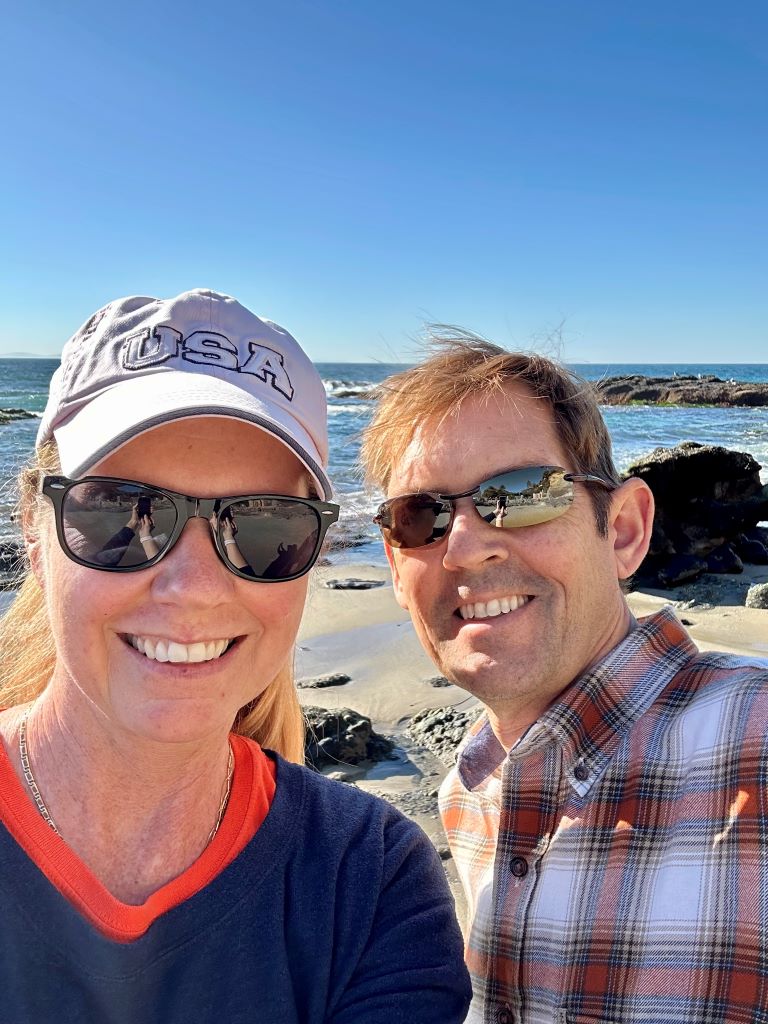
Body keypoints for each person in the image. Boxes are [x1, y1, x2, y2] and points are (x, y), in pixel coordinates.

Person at [0, 291, 471, 1024]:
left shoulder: (368, 881)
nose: (191, 589)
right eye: (121, 514)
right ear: (35, 533)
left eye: (262, 527)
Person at [361, 330, 768, 1023]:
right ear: (397, 572)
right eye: (419, 517)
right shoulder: (471, 793)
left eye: (520, 493)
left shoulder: (755, 746)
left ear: (623, 531)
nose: (462, 546)